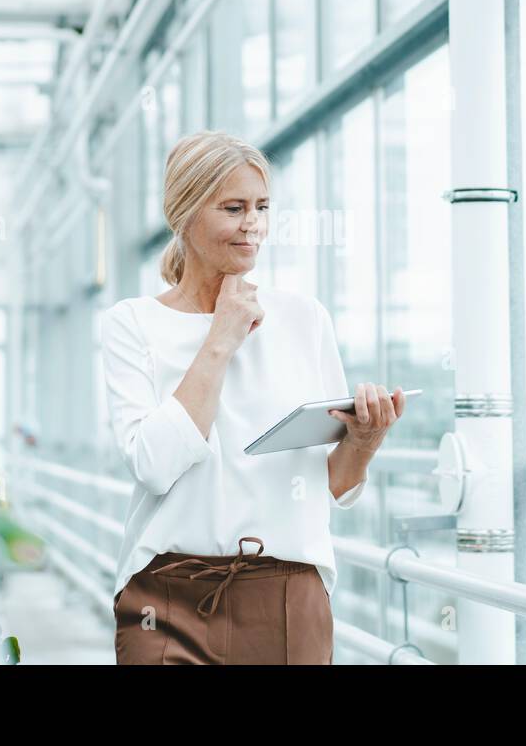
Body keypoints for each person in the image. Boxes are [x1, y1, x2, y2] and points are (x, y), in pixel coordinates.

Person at [101, 129, 406, 664]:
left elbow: (328, 485)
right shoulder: (132, 324)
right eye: (234, 207)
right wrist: (220, 337)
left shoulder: (304, 319)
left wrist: (364, 440)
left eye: (262, 207)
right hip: (166, 597)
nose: (253, 225)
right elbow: (153, 465)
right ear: (185, 214)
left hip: (287, 599)